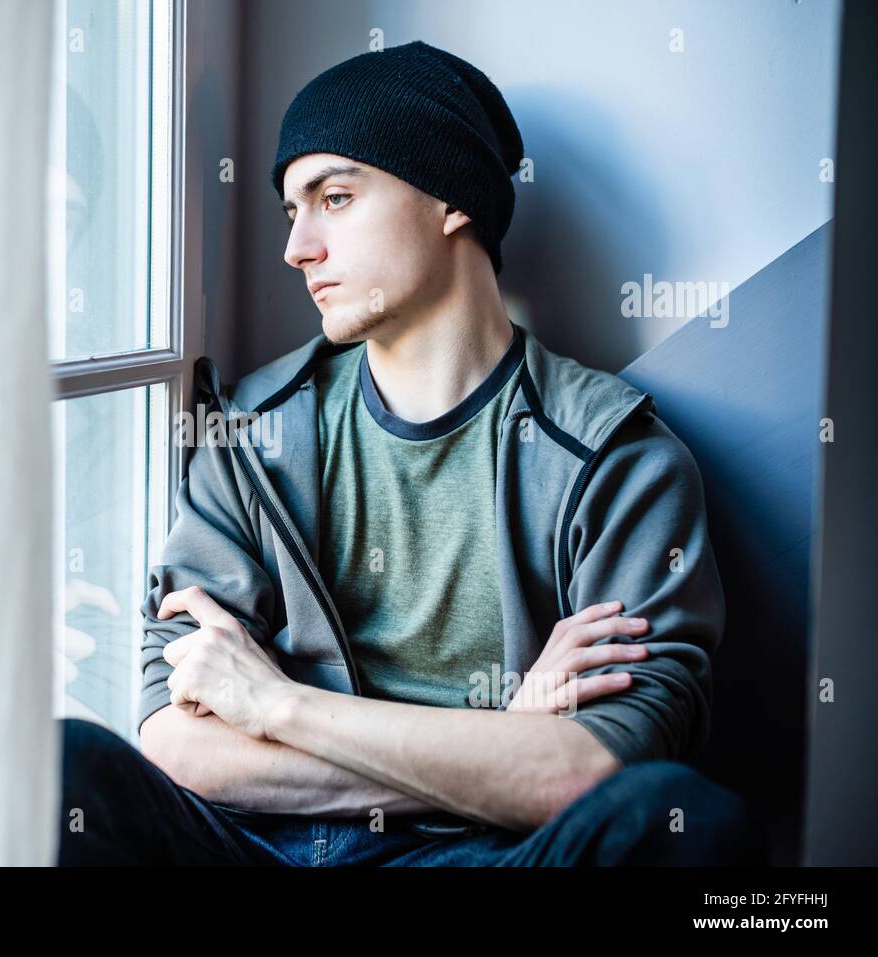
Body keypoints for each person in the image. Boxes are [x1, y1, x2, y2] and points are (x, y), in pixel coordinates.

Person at [57, 39, 766, 866]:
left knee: (683, 817)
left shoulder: (616, 458)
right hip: (258, 848)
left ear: (451, 201)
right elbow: (174, 737)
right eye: (293, 210)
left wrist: (277, 705)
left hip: (475, 856)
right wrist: (501, 746)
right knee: (65, 767)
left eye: (336, 197)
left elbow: (594, 771)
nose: (298, 248)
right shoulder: (253, 430)